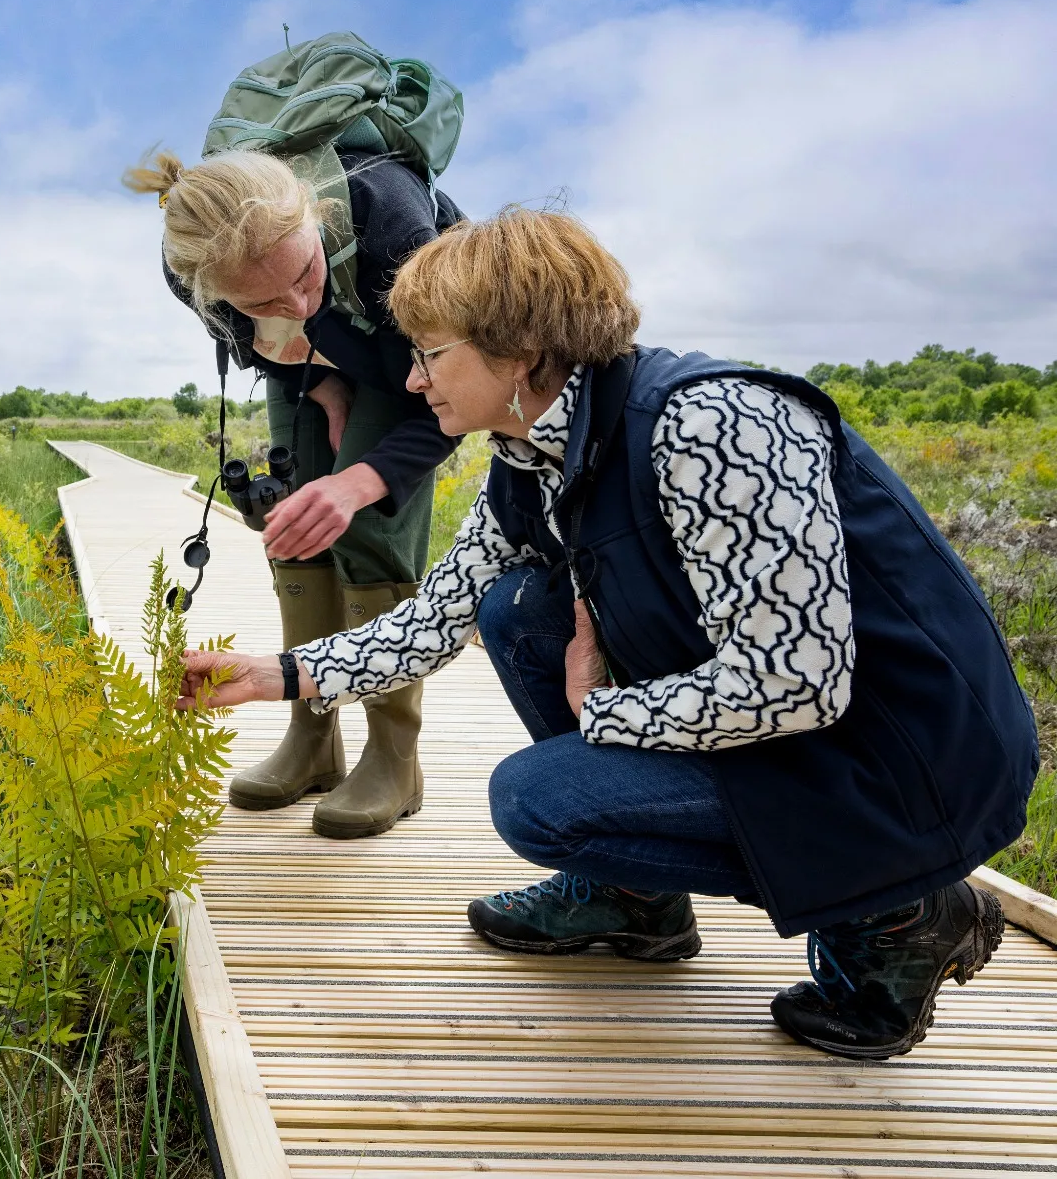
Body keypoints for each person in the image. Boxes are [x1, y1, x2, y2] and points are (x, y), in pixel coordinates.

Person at [178, 205, 1041, 1060]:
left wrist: (606, 713)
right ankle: (636, 901)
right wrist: (276, 675)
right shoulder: (530, 454)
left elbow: (799, 684)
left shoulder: (710, 427)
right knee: (516, 610)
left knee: (538, 798)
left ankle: (902, 914)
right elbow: (436, 615)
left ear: (521, 351)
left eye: (431, 354)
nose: (411, 381)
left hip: (904, 756)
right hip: (794, 721)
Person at [124, 146, 461, 838]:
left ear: (319, 214)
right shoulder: (183, 267)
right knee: (291, 514)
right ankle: (312, 740)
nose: (298, 303)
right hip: (314, 358)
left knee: (367, 528)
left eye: (306, 273)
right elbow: (257, 340)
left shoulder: (394, 222)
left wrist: (360, 481)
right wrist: (329, 383)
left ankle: (395, 758)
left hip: (412, 356)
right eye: (264, 299)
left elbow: (458, 396)